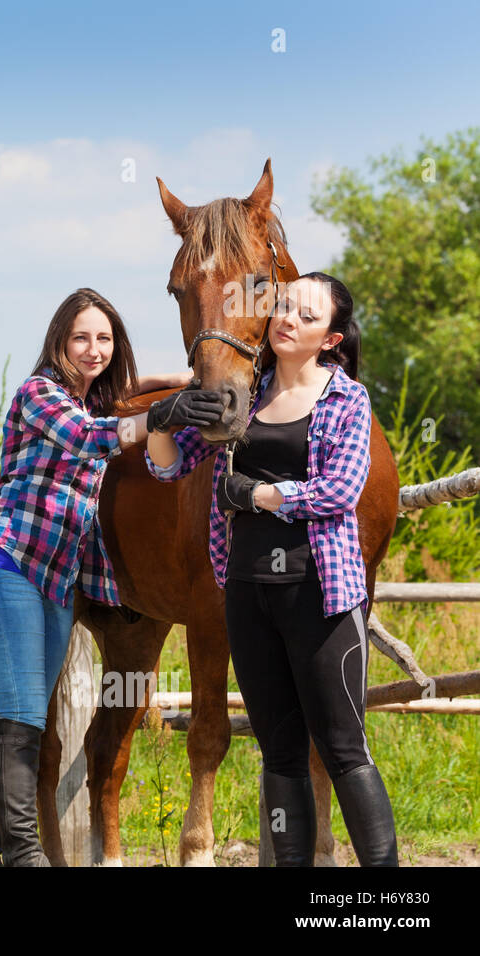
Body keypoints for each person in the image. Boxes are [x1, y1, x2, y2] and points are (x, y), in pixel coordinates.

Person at [145, 272, 396, 866]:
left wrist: (257, 496)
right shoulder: (245, 399)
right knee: (279, 753)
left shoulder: (346, 399)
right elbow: (170, 467)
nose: (288, 319)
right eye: (284, 306)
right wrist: (162, 420)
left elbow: (338, 491)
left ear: (331, 339)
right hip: (248, 593)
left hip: (322, 595)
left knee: (343, 748)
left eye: (307, 316)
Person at [0, 288, 197, 866]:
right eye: (81, 337)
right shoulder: (40, 395)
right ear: (59, 341)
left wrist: (194, 381)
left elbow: (134, 393)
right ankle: (25, 856)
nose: (93, 349)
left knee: (22, 710)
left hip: (56, 581)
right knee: (24, 715)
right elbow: (91, 440)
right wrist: (163, 412)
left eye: (105, 339)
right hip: (8, 563)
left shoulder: (99, 401)